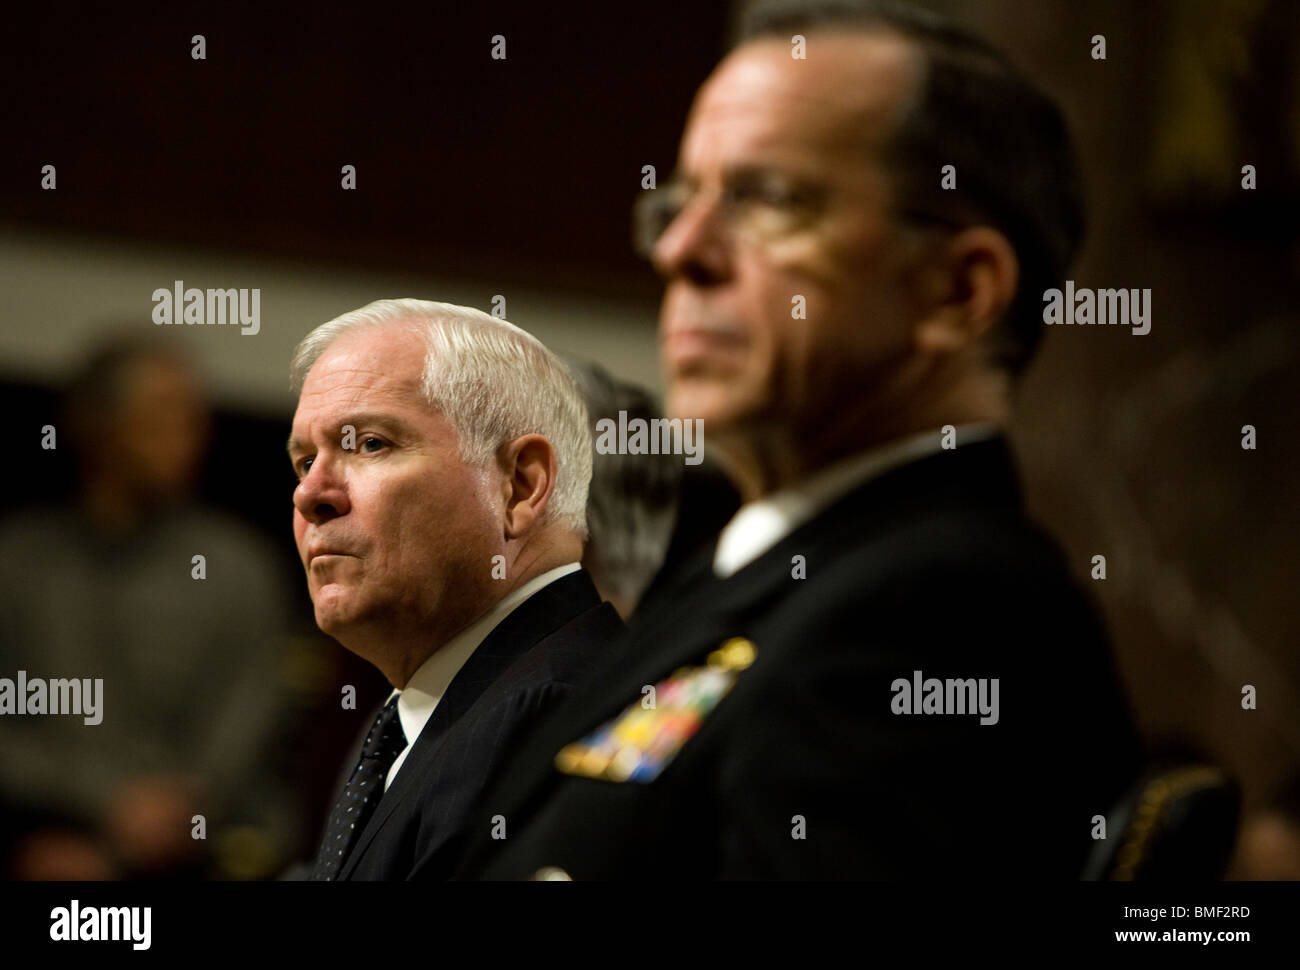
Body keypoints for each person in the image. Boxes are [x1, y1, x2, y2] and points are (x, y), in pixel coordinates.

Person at [454, 0, 1142, 879]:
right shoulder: (766, 571)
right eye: (679, 203)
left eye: (770, 198)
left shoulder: (940, 615)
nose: (683, 251)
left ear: (957, 293)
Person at [287, 299, 622, 880]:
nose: (310, 495)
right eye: (304, 460)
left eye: (369, 444)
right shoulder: (419, 717)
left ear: (519, 486)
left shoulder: (546, 720)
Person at [0, 335, 295, 880]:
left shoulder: (237, 567)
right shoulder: (18, 563)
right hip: (44, 827)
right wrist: (99, 799)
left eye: (194, 418)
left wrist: (175, 812)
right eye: (161, 416)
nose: (189, 439)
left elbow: (246, 724)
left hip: (207, 836)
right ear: (94, 425)